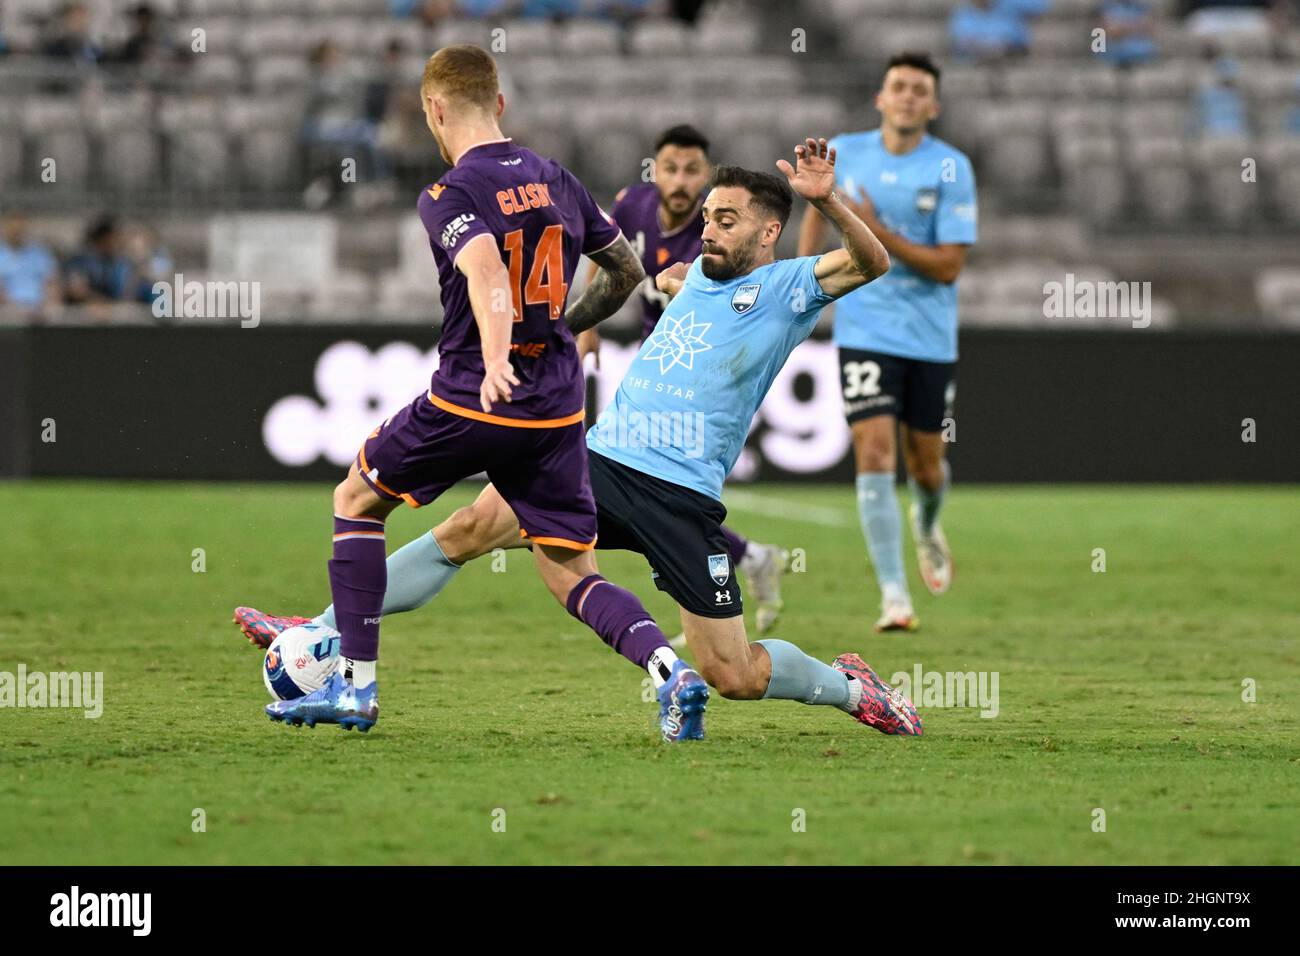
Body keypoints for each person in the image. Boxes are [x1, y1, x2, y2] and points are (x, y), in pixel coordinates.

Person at [238, 142, 923, 740]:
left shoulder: (786, 287)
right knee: (471, 525)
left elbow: (872, 261)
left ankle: (857, 690)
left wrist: (827, 200)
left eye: (727, 220)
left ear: (770, 231)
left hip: (682, 496)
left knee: (733, 674)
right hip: (599, 459)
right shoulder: (694, 277)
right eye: (708, 217)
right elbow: (653, 281)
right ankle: (324, 628)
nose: (708, 230)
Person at [256, 44, 693, 737]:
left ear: (433, 110)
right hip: (554, 413)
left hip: (473, 399)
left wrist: (496, 358)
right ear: (500, 103)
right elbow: (624, 269)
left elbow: (487, 272)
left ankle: (357, 690)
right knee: (568, 569)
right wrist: (559, 327)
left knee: (357, 498)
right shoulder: (559, 179)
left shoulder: (448, 194)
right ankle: (673, 670)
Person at [577, 124, 790, 635]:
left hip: (701, 369)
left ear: (704, 176)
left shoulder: (720, 232)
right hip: (657, 358)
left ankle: (710, 581)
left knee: (660, 482)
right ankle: (743, 561)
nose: (679, 179)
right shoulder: (632, 205)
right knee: (634, 474)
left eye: (692, 170)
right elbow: (602, 256)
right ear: (656, 168)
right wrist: (588, 326)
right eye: (670, 167)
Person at [796, 52, 977, 633]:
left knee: (926, 469)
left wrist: (879, 232)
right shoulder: (846, 153)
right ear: (880, 97)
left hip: (928, 339)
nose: (906, 96)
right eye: (897, 85)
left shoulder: (951, 167)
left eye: (918, 89)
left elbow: (948, 267)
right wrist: (802, 282)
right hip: (865, 329)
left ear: (933, 105)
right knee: (874, 455)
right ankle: (894, 596)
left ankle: (927, 522)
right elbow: (818, 213)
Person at [0, 212, 61, 314]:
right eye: (13, 231)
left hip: (39, 312)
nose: (17, 234)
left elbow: (52, 283)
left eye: (20, 231)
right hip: (7, 312)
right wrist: (16, 309)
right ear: (6, 231)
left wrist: (48, 307)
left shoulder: (40, 254)